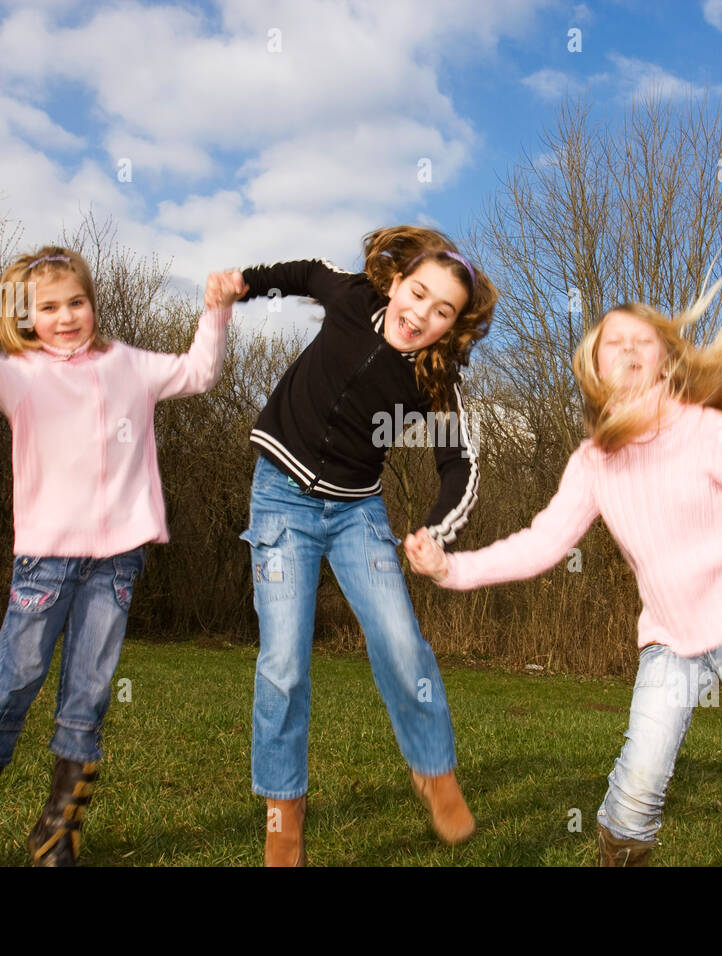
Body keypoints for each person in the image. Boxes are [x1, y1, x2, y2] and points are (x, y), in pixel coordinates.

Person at [406, 266, 722, 866]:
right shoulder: (594, 463)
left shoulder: (711, 435)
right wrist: (451, 569)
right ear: (596, 366)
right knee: (637, 786)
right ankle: (620, 851)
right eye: (616, 342)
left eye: (644, 341)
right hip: (669, 638)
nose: (631, 349)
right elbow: (542, 544)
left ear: (665, 360)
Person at [0, 227, 238, 865]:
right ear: (26, 319)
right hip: (46, 562)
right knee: (15, 681)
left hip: (117, 562)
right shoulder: (17, 378)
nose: (65, 317)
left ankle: (57, 831)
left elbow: (199, 373)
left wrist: (216, 309)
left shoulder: (129, 366)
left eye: (76, 303)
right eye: (49, 307)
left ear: (93, 303)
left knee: (88, 691)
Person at [238, 226, 496, 865]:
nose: (421, 315)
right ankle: (283, 815)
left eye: (443, 311)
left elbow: (459, 464)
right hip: (280, 499)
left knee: (402, 641)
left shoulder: (438, 379)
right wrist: (244, 284)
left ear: (454, 327)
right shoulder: (352, 297)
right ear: (398, 280)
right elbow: (301, 271)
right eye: (418, 293)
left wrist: (433, 531)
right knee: (283, 665)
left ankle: (433, 771)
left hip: (357, 513)